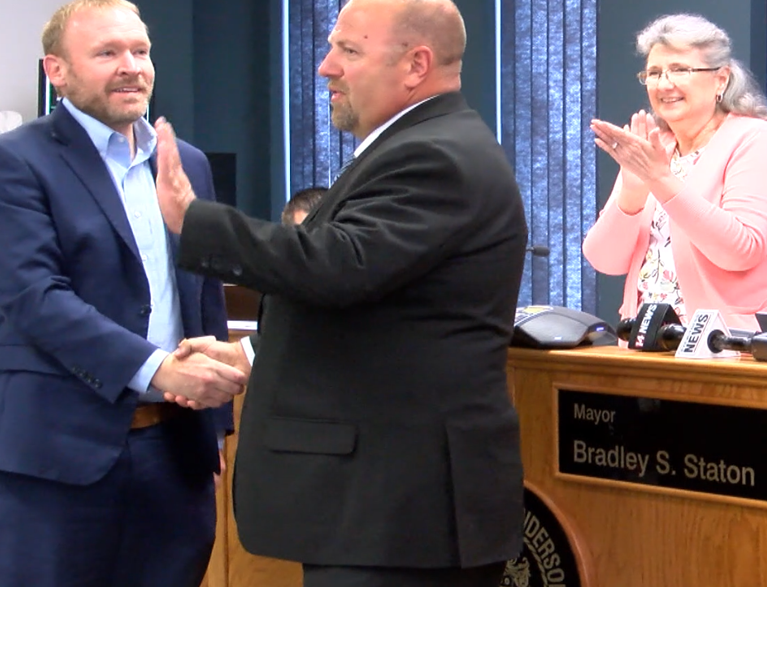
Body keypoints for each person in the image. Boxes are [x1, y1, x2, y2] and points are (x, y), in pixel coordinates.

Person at [154, 0, 528, 588]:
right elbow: (382, 307)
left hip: (400, 516)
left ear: (415, 65)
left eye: (349, 51)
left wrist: (194, 220)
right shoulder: (414, 145)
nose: (325, 66)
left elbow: (339, 265)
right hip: (379, 513)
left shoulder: (436, 155)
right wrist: (256, 354)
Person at [0, 0, 247, 587]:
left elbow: (203, 294)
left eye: (140, 51)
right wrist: (159, 369)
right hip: (53, 457)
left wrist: (214, 424)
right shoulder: (7, 164)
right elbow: (35, 299)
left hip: (176, 455)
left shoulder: (184, 161)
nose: (131, 67)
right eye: (107, 53)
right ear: (55, 71)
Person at [583, 13, 767, 334]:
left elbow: (742, 250)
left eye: (680, 70)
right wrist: (632, 193)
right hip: (651, 345)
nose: (665, 84)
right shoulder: (654, 145)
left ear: (721, 79)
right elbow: (604, 260)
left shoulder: (757, 140)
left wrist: (660, 181)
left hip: (742, 345)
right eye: (654, 72)